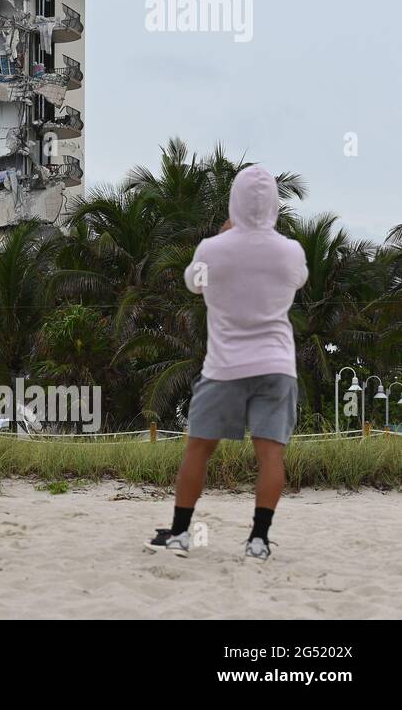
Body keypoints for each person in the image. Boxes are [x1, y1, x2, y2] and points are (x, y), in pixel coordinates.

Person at [145, 166, 308, 561]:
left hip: (224, 367)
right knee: (271, 455)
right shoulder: (289, 251)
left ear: (233, 200)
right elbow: (298, 279)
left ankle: (182, 533)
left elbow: (192, 283)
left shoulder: (211, 249)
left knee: (198, 449)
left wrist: (223, 237)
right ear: (274, 204)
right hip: (276, 364)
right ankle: (258, 541)